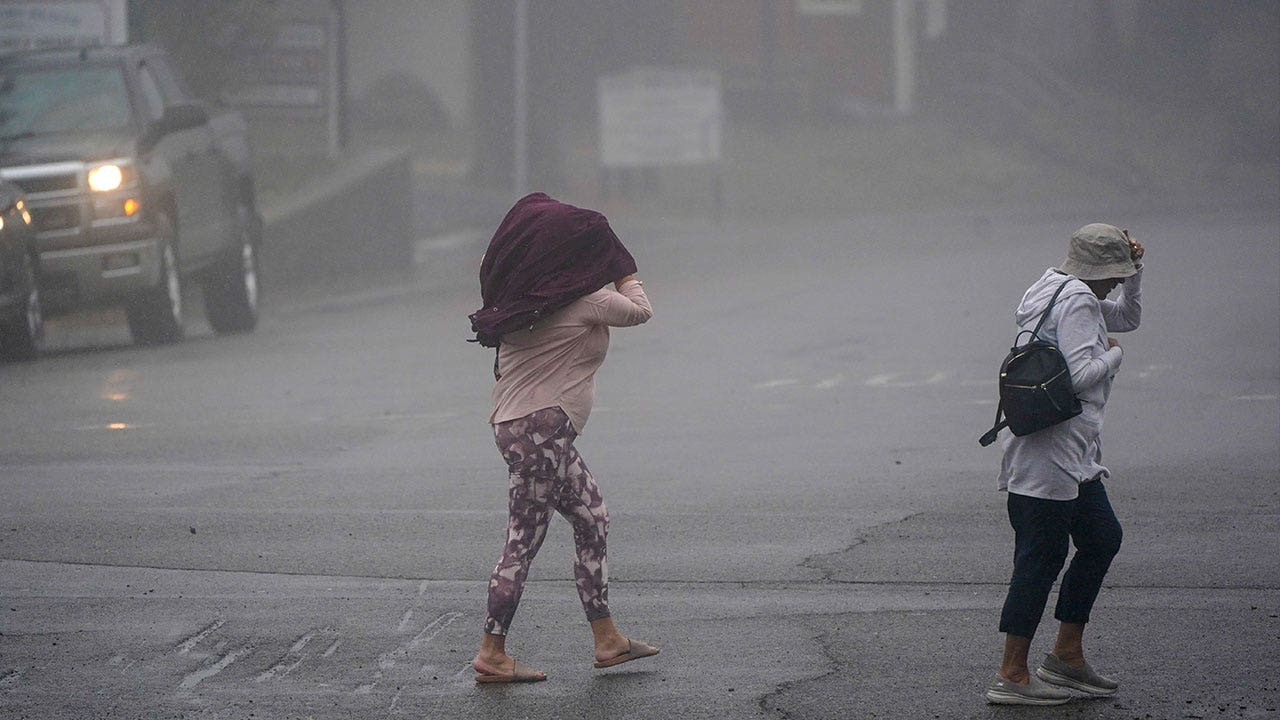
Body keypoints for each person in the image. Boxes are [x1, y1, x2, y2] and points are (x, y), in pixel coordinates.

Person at [468, 194, 659, 683]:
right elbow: (640, 309)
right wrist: (622, 266)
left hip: (521, 430)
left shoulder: (518, 305)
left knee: (593, 518)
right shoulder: (585, 300)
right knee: (522, 541)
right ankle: (492, 652)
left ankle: (607, 639)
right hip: (542, 432)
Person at [985, 223, 1145, 705]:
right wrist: (1113, 358)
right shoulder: (1077, 300)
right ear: (1095, 272)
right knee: (1041, 557)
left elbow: (1127, 317)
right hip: (1048, 455)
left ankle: (1066, 658)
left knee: (1101, 537)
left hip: (1072, 452)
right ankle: (1012, 674)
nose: (1116, 284)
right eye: (1114, 275)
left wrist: (1136, 273)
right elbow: (1077, 377)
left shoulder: (1054, 285)